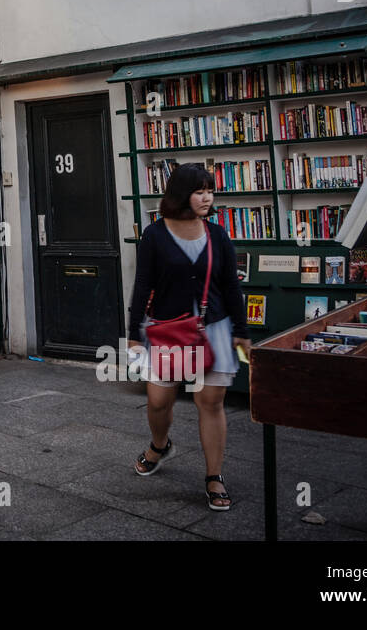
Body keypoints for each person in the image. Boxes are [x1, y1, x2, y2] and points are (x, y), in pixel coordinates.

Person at [127, 163, 250, 511]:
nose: (208, 197)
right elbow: (142, 285)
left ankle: (214, 477)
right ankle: (160, 444)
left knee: (210, 402)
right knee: (158, 401)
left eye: (210, 190)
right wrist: (133, 334)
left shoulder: (218, 235)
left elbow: (231, 285)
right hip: (168, 328)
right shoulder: (154, 235)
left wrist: (241, 331)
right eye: (200, 190)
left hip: (213, 328)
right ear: (182, 194)